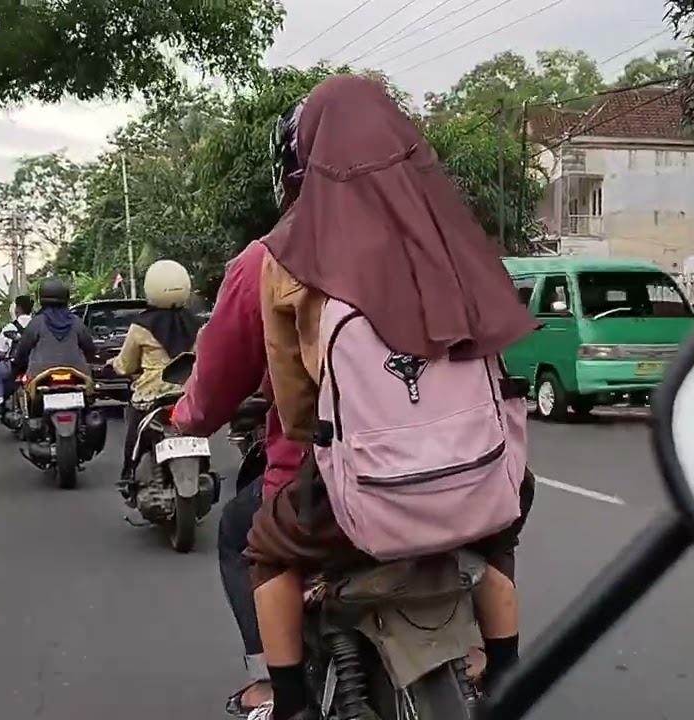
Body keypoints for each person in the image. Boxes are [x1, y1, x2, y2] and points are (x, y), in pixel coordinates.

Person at [241, 75, 539, 720]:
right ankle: (512, 673)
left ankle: (289, 700)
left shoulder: (289, 259)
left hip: (361, 499)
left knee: (266, 551)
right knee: (497, 534)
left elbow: (296, 409)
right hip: (476, 475)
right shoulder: (455, 241)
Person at [171, 189, 305, 717]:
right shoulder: (432, 244)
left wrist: (187, 419)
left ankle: (273, 685)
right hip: (463, 459)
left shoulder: (267, 261)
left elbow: (214, 386)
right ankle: (488, 657)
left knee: (240, 533)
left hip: (328, 469)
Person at [111, 259, 204, 486]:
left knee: (134, 427)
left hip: (153, 395)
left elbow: (126, 365)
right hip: (189, 392)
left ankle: (128, 473)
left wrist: (117, 366)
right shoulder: (197, 324)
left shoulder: (140, 326)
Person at [9, 278, 97, 391]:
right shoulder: (77, 322)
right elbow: (89, 349)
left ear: (41, 300)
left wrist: (17, 369)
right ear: (66, 299)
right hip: (78, 373)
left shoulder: (36, 323)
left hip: (40, 375)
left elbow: (23, 350)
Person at [0, 295, 34, 413]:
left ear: (17, 309)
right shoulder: (37, 325)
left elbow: (1, 351)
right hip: (36, 365)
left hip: (15, 366)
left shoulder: (9, 327)